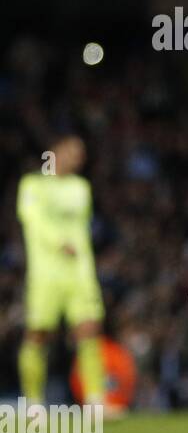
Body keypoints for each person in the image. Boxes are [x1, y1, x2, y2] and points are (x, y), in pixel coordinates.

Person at [16, 136, 108, 410]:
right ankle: (32, 402)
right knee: (38, 333)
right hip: (46, 273)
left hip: (80, 273)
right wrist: (59, 243)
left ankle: (94, 400)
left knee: (89, 330)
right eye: (71, 152)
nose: (76, 158)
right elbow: (32, 221)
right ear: (54, 152)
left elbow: (83, 228)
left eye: (80, 154)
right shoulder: (33, 185)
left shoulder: (81, 188)